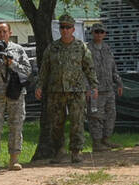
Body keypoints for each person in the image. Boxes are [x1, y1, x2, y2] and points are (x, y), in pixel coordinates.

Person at [34, 14, 97, 164]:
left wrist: (94, 85)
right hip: (56, 90)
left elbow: (89, 67)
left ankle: (76, 151)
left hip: (76, 90)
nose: (65, 30)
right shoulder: (52, 48)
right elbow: (44, 69)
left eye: (68, 27)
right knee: (56, 123)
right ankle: (59, 151)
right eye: (62, 27)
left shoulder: (81, 46)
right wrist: (39, 86)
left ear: (73, 29)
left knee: (77, 121)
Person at [0, 22, 31, 174]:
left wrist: (12, 63)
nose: (2, 34)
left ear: (10, 32)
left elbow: (27, 70)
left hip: (15, 93)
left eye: (4, 31)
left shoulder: (18, 49)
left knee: (16, 125)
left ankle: (14, 160)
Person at [86, 23, 123, 152]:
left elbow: (113, 68)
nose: (99, 34)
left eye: (101, 32)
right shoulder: (87, 49)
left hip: (109, 89)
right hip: (95, 90)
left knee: (111, 114)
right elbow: (84, 70)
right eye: (96, 32)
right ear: (92, 33)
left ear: (105, 34)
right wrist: (88, 88)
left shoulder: (107, 48)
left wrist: (118, 83)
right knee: (95, 116)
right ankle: (97, 143)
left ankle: (106, 139)